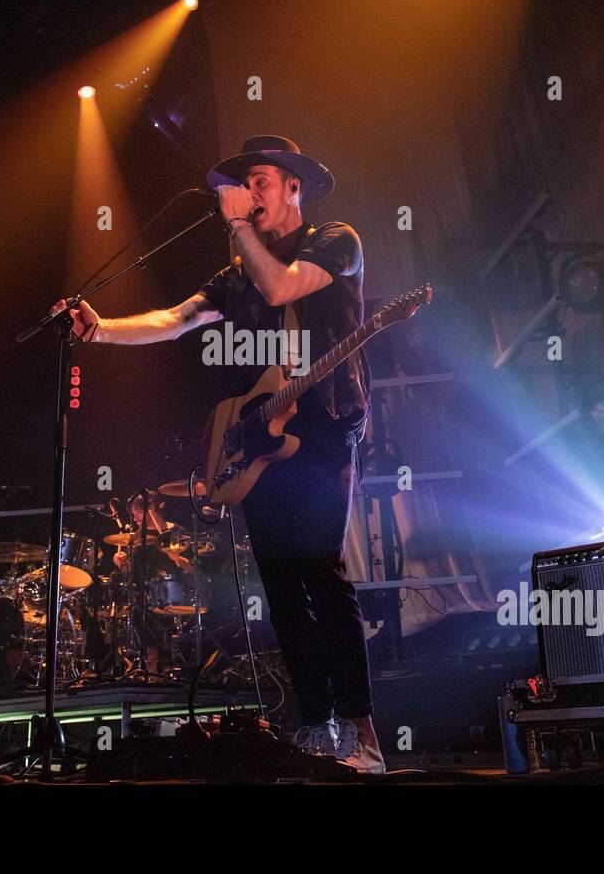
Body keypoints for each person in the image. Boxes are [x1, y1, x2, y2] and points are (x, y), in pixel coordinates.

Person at [50, 136, 384, 772]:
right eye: (243, 185)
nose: (248, 194)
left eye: (260, 181)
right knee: (282, 585)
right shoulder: (235, 274)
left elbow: (284, 289)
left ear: (294, 188)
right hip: (261, 436)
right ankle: (317, 725)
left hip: (323, 425)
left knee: (322, 569)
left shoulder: (336, 241)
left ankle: (365, 733)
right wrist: (102, 329)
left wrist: (236, 224)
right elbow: (175, 319)